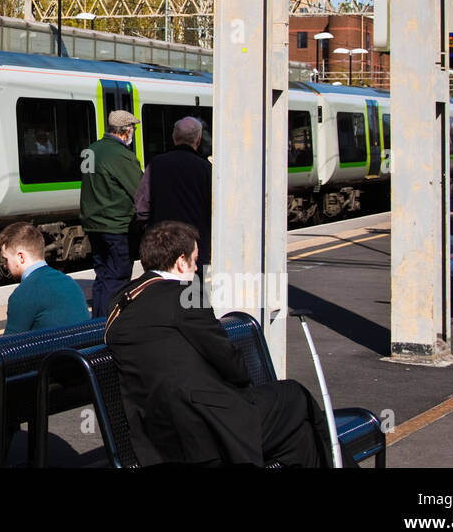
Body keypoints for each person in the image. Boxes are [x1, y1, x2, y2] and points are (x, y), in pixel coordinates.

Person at [104, 220, 331, 467]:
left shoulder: (122, 299)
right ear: (181, 262)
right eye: (195, 259)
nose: (197, 267)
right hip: (204, 431)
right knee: (296, 397)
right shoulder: (186, 294)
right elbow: (231, 363)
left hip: (154, 438)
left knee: (298, 437)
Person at [79, 110, 142, 318]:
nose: (133, 132)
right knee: (118, 277)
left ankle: (96, 322)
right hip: (116, 226)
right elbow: (140, 190)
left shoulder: (91, 150)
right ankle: (111, 322)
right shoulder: (121, 155)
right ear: (125, 131)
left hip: (93, 224)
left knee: (102, 276)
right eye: (132, 128)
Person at [135, 116, 212, 267]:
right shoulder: (205, 169)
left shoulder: (156, 165)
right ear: (198, 139)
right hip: (195, 247)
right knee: (193, 289)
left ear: (174, 138)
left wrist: (151, 230)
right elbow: (213, 210)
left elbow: (142, 207)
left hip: (162, 244)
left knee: (164, 286)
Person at [0, 222, 90, 334]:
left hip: (52, 351)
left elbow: (9, 346)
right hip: (82, 350)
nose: (5, 266)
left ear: (21, 257)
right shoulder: (69, 282)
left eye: (6, 259)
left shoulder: (23, 294)